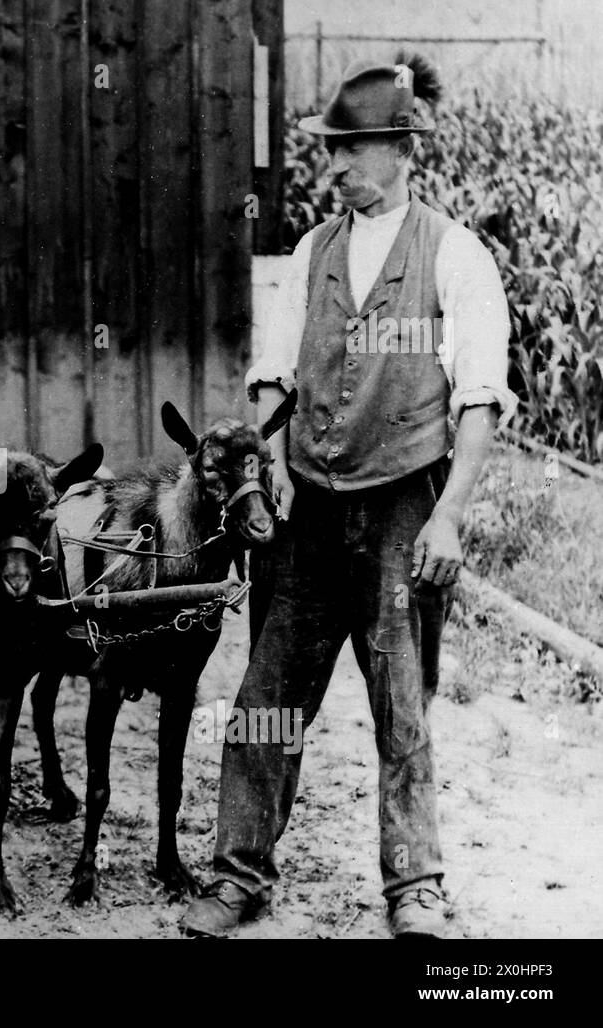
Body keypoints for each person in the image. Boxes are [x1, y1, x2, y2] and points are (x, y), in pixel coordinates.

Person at [181, 54, 517, 938]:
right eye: (331, 150)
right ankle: (239, 873)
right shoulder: (311, 252)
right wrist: (275, 463)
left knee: (401, 702)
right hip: (310, 509)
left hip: (405, 507)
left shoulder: (455, 255)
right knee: (267, 698)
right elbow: (272, 379)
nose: (334, 166)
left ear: (402, 149)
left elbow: (479, 399)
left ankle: (415, 886)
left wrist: (449, 515)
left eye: (351, 148)